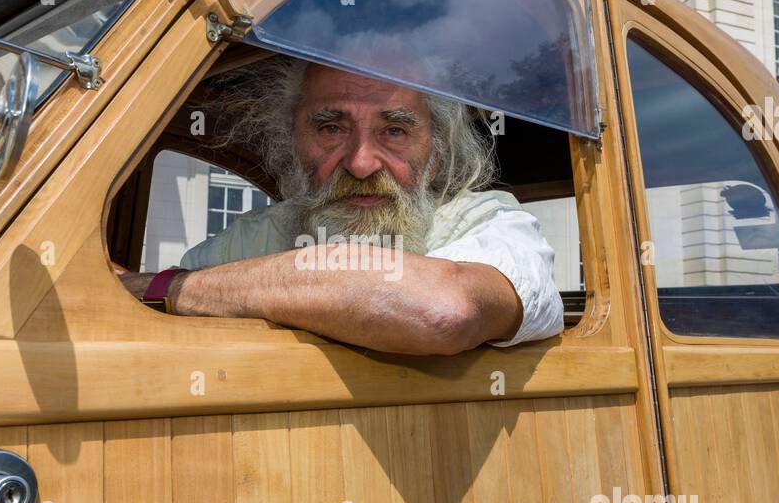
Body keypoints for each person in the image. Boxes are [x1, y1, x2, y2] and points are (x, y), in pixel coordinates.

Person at [115, 57, 564, 355]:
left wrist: (170, 287)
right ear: (295, 145)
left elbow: (444, 310)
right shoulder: (252, 238)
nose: (361, 162)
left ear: (437, 154)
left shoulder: (491, 224)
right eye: (331, 129)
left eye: (394, 131)